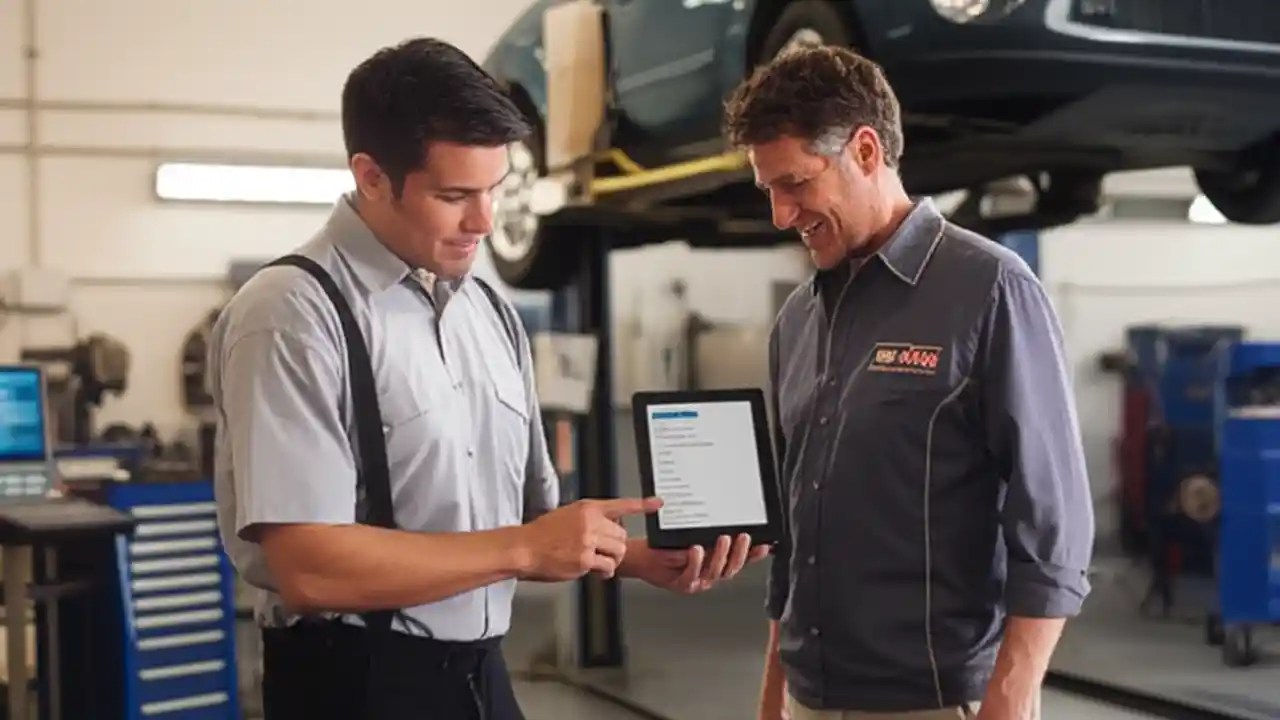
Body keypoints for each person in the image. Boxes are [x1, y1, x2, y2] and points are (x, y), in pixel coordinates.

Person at [208, 37, 767, 720]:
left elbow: (522, 521)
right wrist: (529, 547)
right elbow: (309, 567)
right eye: (454, 195)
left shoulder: (488, 311)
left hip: (479, 677)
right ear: (372, 175)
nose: (484, 221)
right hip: (354, 688)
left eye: (495, 190)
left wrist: (634, 557)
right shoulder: (291, 315)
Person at [722, 46, 1095, 720]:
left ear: (866, 152)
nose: (781, 214)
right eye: (768, 190)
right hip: (811, 696)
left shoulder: (990, 289)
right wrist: (773, 695)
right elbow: (796, 540)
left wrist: (1011, 697)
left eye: (796, 184)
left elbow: (1055, 524)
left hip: (937, 702)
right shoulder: (797, 320)